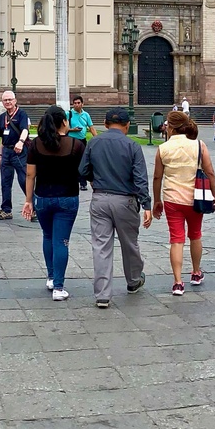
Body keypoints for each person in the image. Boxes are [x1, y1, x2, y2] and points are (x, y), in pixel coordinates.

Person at [80, 107, 148, 308]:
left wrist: (94, 178)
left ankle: (102, 294)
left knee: (101, 246)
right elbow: (140, 178)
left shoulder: (94, 142)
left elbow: (82, 170)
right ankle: (133, 279)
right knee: (130, 243)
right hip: (125, 200)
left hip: (100, 198)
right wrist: (146, 203)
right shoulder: (132, 145)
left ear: (105, 123)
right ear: (127, 125)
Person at [149, 110, 214, 297]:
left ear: (171, 127)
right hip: (195, 198)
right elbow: (210, 172)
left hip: (172, 199)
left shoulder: (163, 148)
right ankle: (196, 272)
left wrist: (157, 200)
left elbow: (157, 177)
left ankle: (178, 282)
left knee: (176, 240)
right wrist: (214, 195)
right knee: (195, 235)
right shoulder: (199, 145)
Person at [23, 106, 83, 301]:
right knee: (61, 241)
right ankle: (58, 286)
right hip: (67, 197)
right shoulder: (75, 145)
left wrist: (28, 200)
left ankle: (51, 277)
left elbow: (30, 174)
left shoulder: (36, 144)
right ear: (64, 122)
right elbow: (84, 171)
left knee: (48, 236)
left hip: (42, 197)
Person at [0, 90, 29, 221]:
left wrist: (21, 142)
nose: (8, 102)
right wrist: (0, 155)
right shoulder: (2, 117)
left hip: (18, 151)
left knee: (24, 180)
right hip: (6, 152)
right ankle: (6, 209)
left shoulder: (21, 114)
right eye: (5, 100)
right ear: (2, 102)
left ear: (15, 101)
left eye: (10, 99)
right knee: (5, 182)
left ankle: (33, 206)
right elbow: (2, 138)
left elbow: (25, 129)